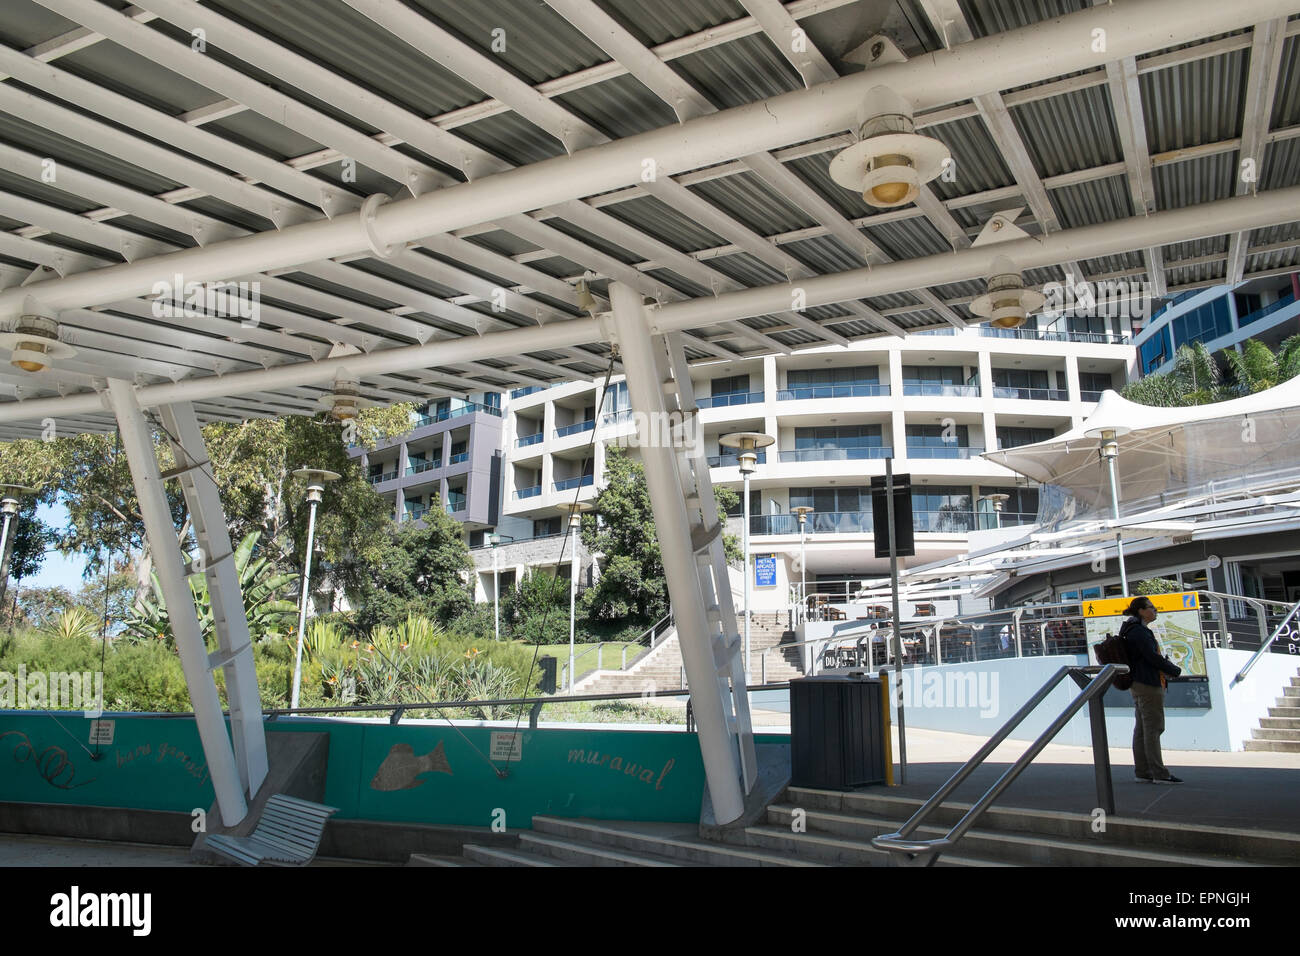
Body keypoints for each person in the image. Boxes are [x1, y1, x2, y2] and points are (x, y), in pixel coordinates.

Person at [1120, 596, 1183, 784]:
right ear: (1140, 610)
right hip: (1148, 683)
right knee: (1153, 728)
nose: (1155, 610)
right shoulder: (1139, 632)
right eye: (1151, 607)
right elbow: (1151, 657)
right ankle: (1159, 772)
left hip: (1137, 683)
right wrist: (1173, 669)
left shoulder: (1130, 630)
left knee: (1142, 729)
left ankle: (1143, 771)